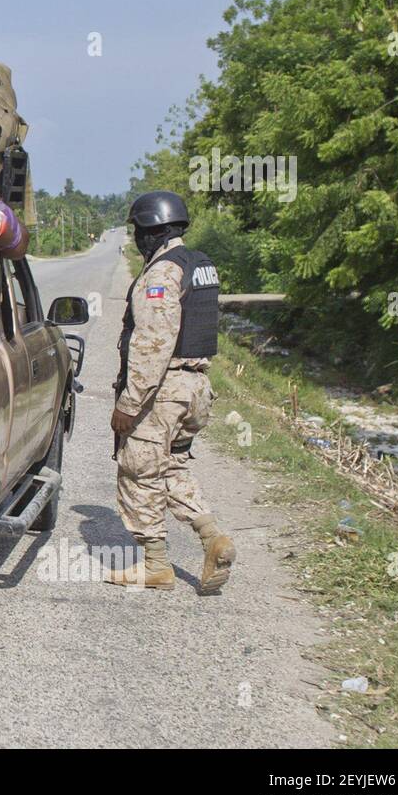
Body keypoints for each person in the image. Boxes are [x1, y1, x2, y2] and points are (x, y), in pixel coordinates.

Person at [106, 190, 235, 593]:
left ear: (151, 231)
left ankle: (155, 565)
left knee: (139, 470)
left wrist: (129, 403)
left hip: (164, 390)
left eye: (138, 233)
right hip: (196, 388)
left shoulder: (162, 273)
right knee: (173, 467)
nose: (137, 241)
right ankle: (212, 536)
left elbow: (153, 343)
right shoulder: (200, 264)